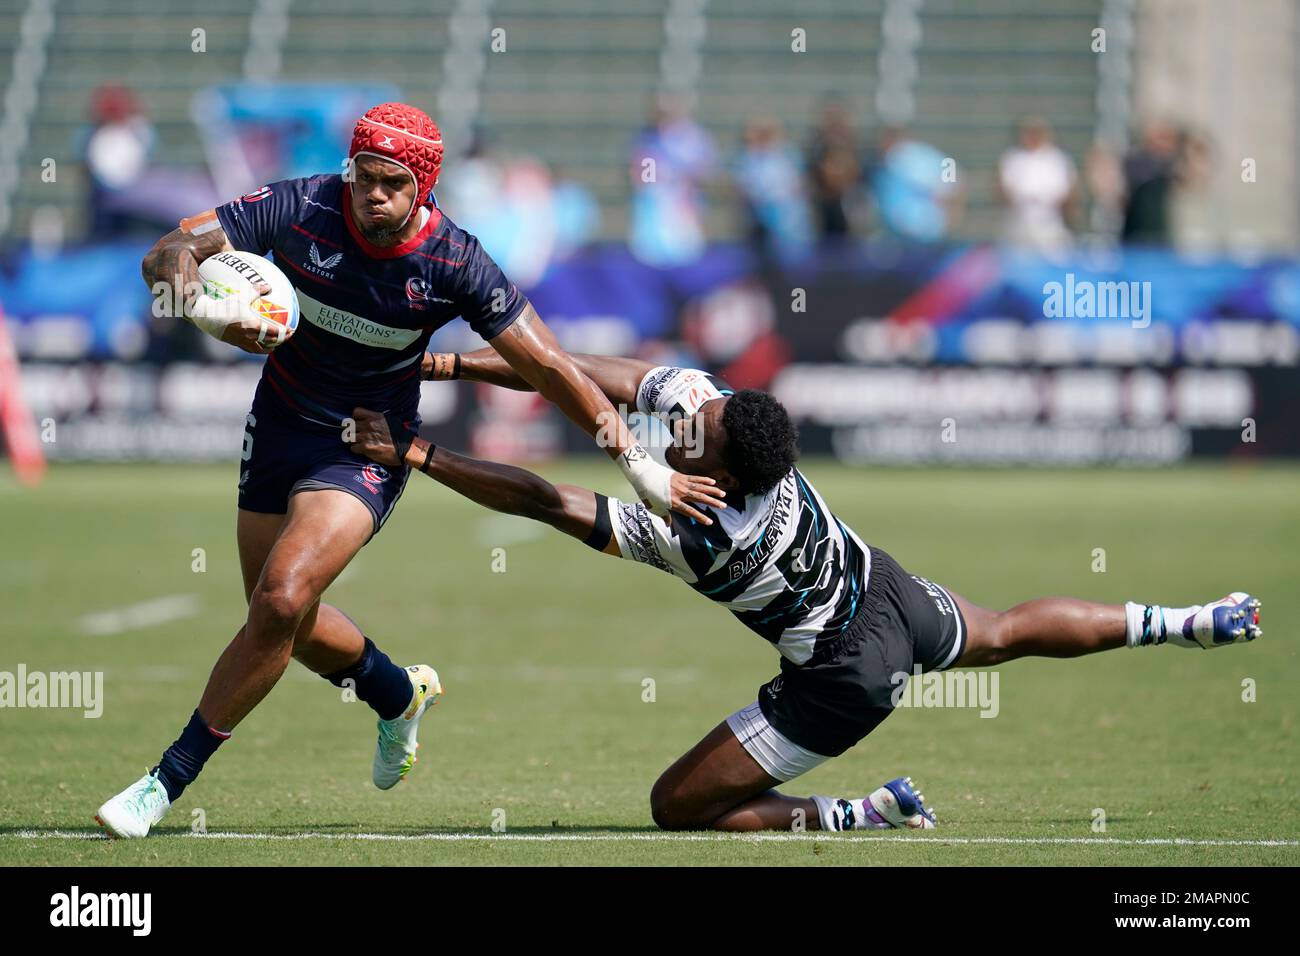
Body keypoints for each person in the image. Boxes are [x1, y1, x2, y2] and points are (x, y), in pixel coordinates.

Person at [94, 102, 722, 839]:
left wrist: (638, 463)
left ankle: (163, 783)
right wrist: (191, 293)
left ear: (422, 184)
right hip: (279, 425)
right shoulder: (299, 207)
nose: (374, 195)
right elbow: (169, 250)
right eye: (364, 177)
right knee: (281, 624)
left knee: (283, 596)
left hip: (366, 445)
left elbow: (550, 367)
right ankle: (398, 696)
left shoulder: (454, 260)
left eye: (392, 182)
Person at [347, 351, 1262, 832]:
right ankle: (1185, 620)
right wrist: (458, 364)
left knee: (679, 806)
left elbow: (550, 501)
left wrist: (421, 453)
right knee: (1007, 631)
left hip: (842, 676)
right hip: (887, 590)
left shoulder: (703, 536)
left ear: (725, 476)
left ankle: (854, 811)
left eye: (691, 438)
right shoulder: (742, 430)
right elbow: (605, 378)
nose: (680, 425)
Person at [996, 117, 1077, 252]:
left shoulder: (1057, 160)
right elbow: (1002, 190)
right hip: (1019, 225)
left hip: (1050, 225)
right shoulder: (1012, 159)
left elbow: (1068, 194)